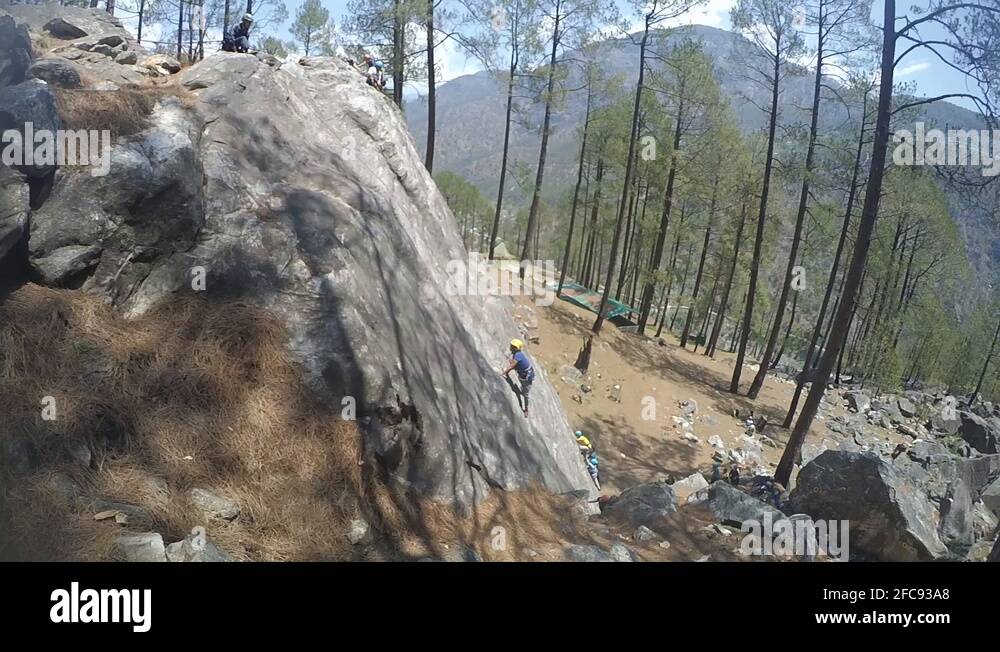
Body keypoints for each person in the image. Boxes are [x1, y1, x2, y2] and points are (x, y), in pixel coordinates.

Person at [501, 339, 534, 417]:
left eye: (512, 346)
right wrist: (507, 373)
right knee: (522, 390)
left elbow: (512, 366)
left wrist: (504, 373)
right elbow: (513, 365)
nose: (511, 347)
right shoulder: (516, 354)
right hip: (522, 375)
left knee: (525, 395)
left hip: (526, 378)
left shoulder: (518, 355)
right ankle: (521, 390)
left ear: (516, 348)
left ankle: (526, 409)